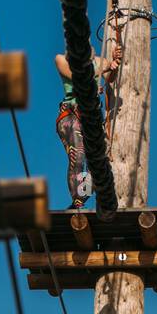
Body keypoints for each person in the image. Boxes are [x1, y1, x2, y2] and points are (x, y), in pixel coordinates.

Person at [54, 33, 122, 210]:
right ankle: (77, 202)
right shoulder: (62, 60)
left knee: (98, 164)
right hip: (71, 115)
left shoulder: (98, 62)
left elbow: (110, 78)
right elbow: (77, 78)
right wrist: (100, 74)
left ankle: (81, 198)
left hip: (90, 120)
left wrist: (113, 65)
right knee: (79, 155)